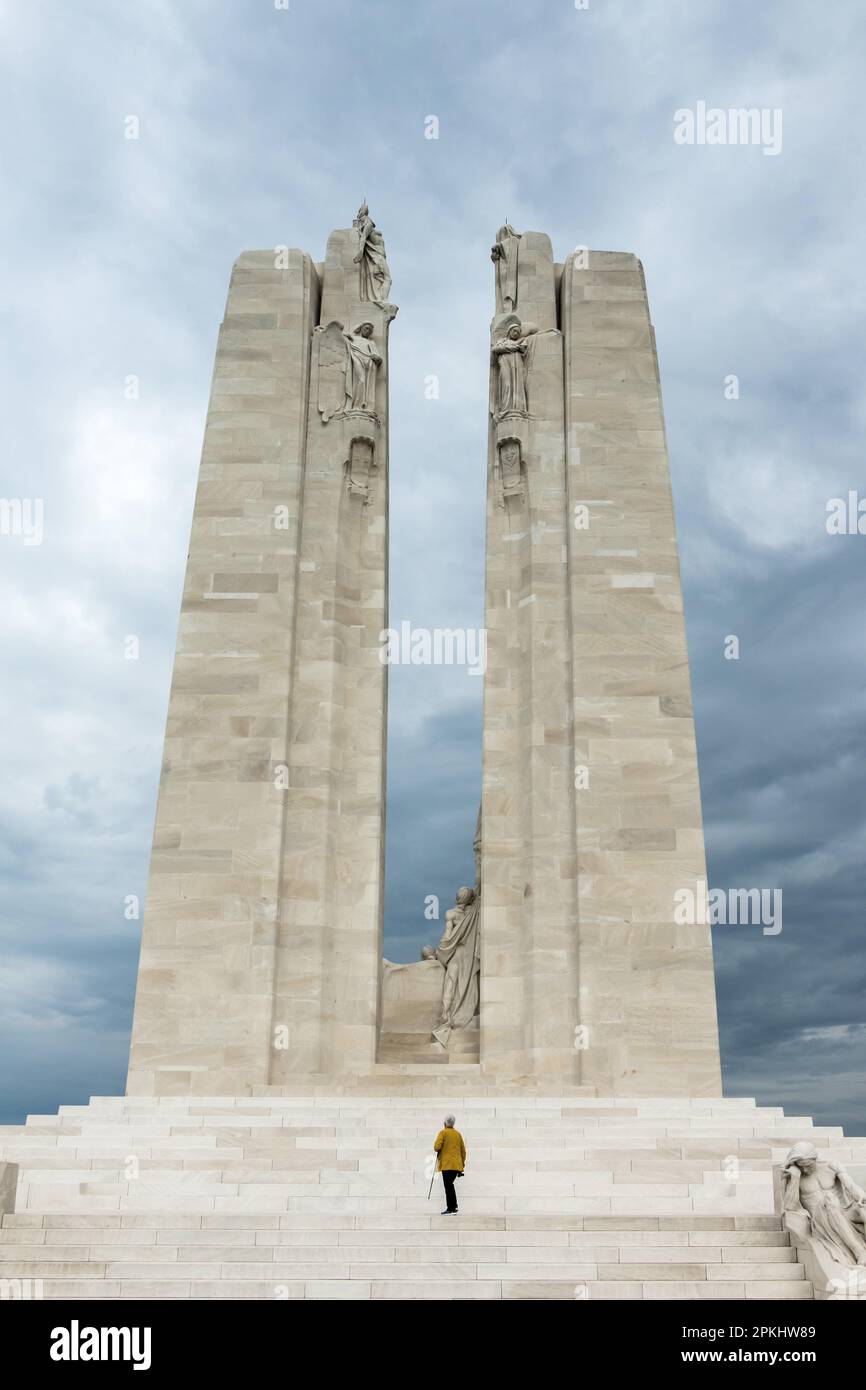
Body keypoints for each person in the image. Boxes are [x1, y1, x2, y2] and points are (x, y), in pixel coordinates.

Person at [433, 1113, 466, 1215]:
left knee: (448, 1186)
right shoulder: (458, 1134)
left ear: (444, 1124)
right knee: (450, 1185)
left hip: (447, 1165)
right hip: (456, 1165)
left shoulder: (443, 1133)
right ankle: (454, 1206)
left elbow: (436, 1147)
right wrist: (462, 1164)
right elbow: (463, 1151)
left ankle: (451, 1208)